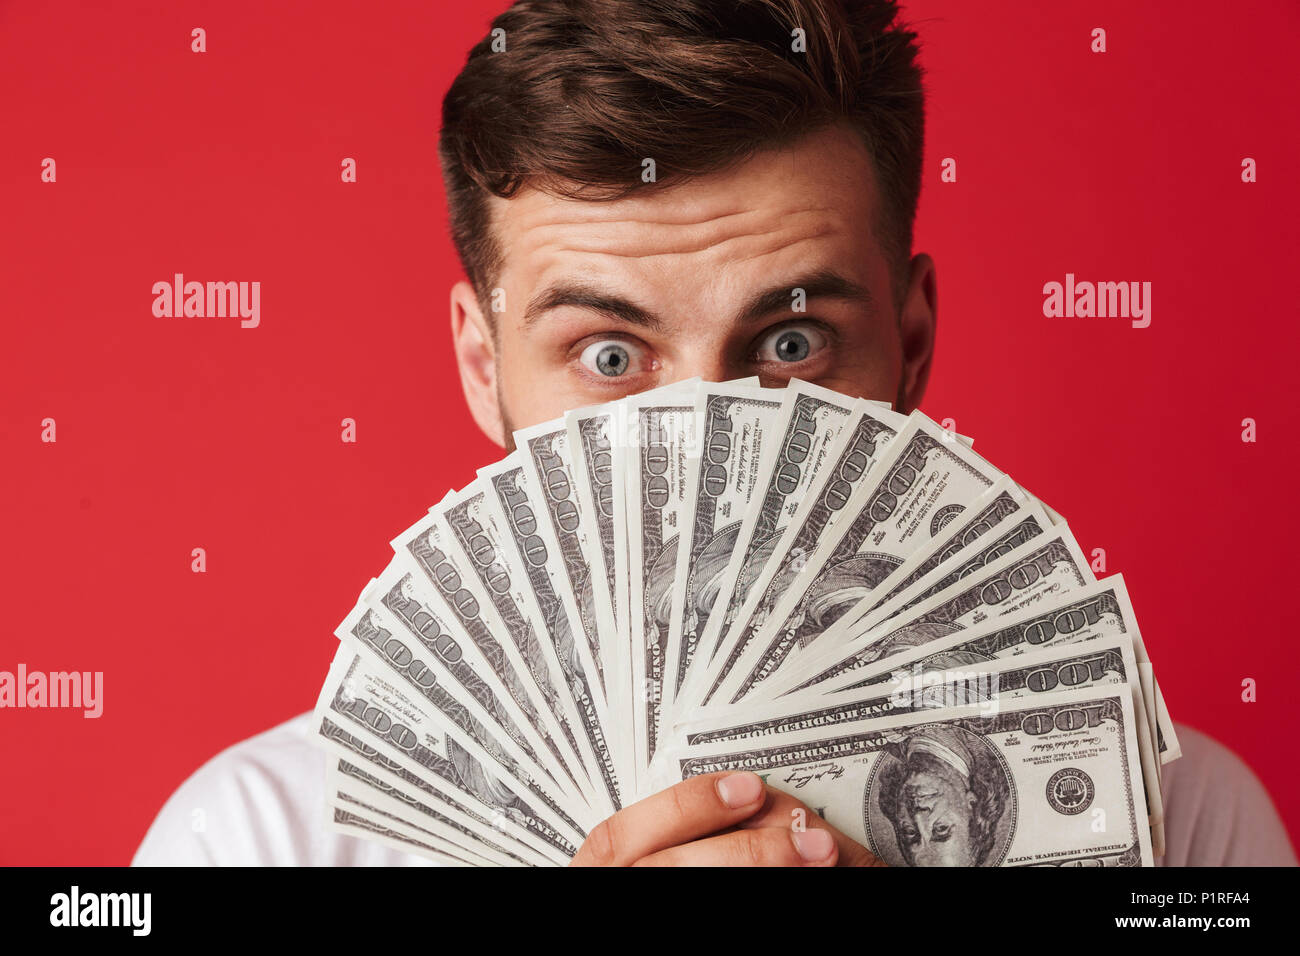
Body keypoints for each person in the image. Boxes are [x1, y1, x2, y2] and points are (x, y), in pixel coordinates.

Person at [133, 0, 1295, 867]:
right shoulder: (254, 838)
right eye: (608, 354)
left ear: (912, 345)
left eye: (791, 344)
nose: (698, 441)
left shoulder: (1175, 821)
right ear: (483, 370)